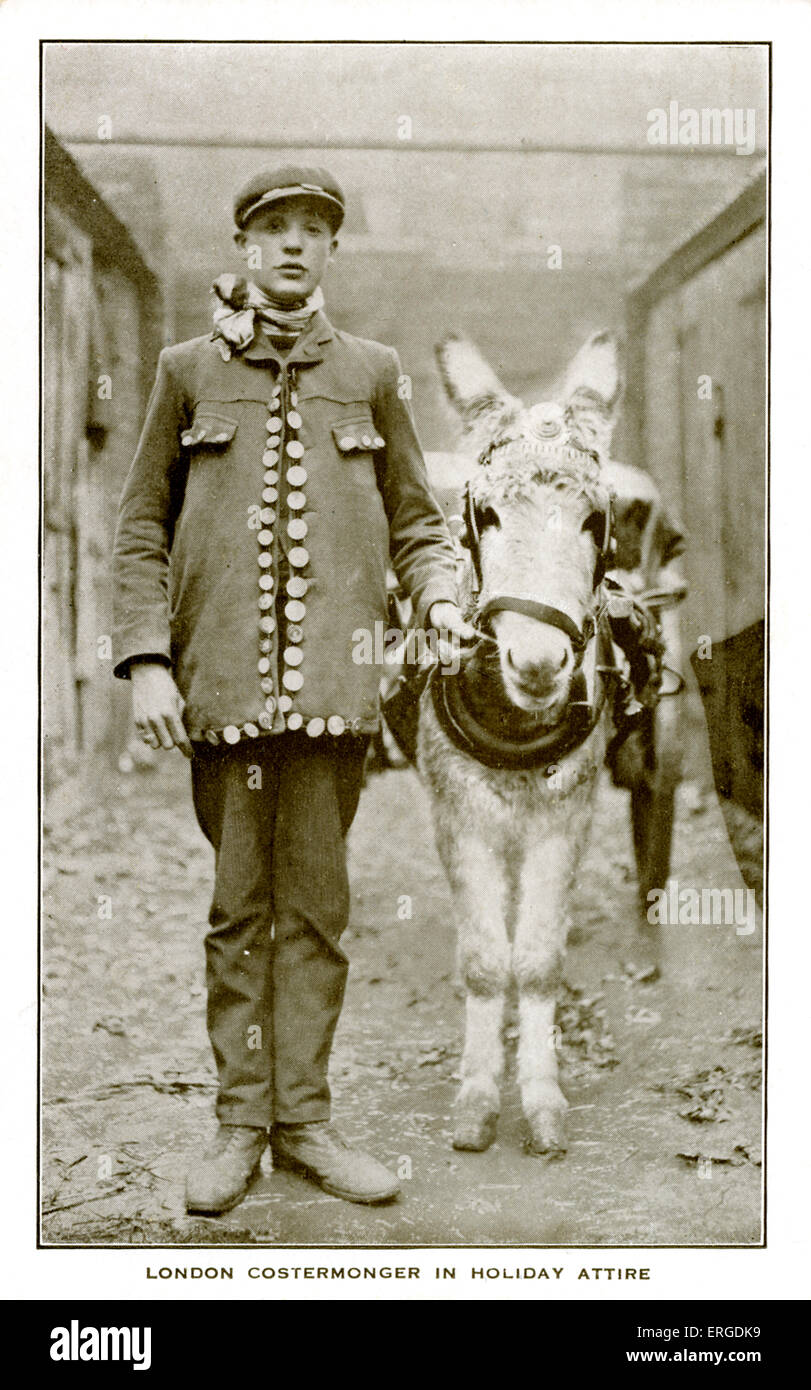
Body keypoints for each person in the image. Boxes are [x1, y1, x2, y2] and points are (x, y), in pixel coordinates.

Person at [112, 166, 471, 1214]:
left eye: (315, 230)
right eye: (274, 229)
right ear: (243, 246)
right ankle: (238, 1125)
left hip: (336, 695)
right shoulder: (186, 372)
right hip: (220, 695)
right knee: (239, 911)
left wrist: (440, 595)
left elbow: (417, 518)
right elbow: (141, 523)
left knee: (314, 910)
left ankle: (304, 1121)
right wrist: (144, 663)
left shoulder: (371, 371)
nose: (293, 246)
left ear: (333, 252)